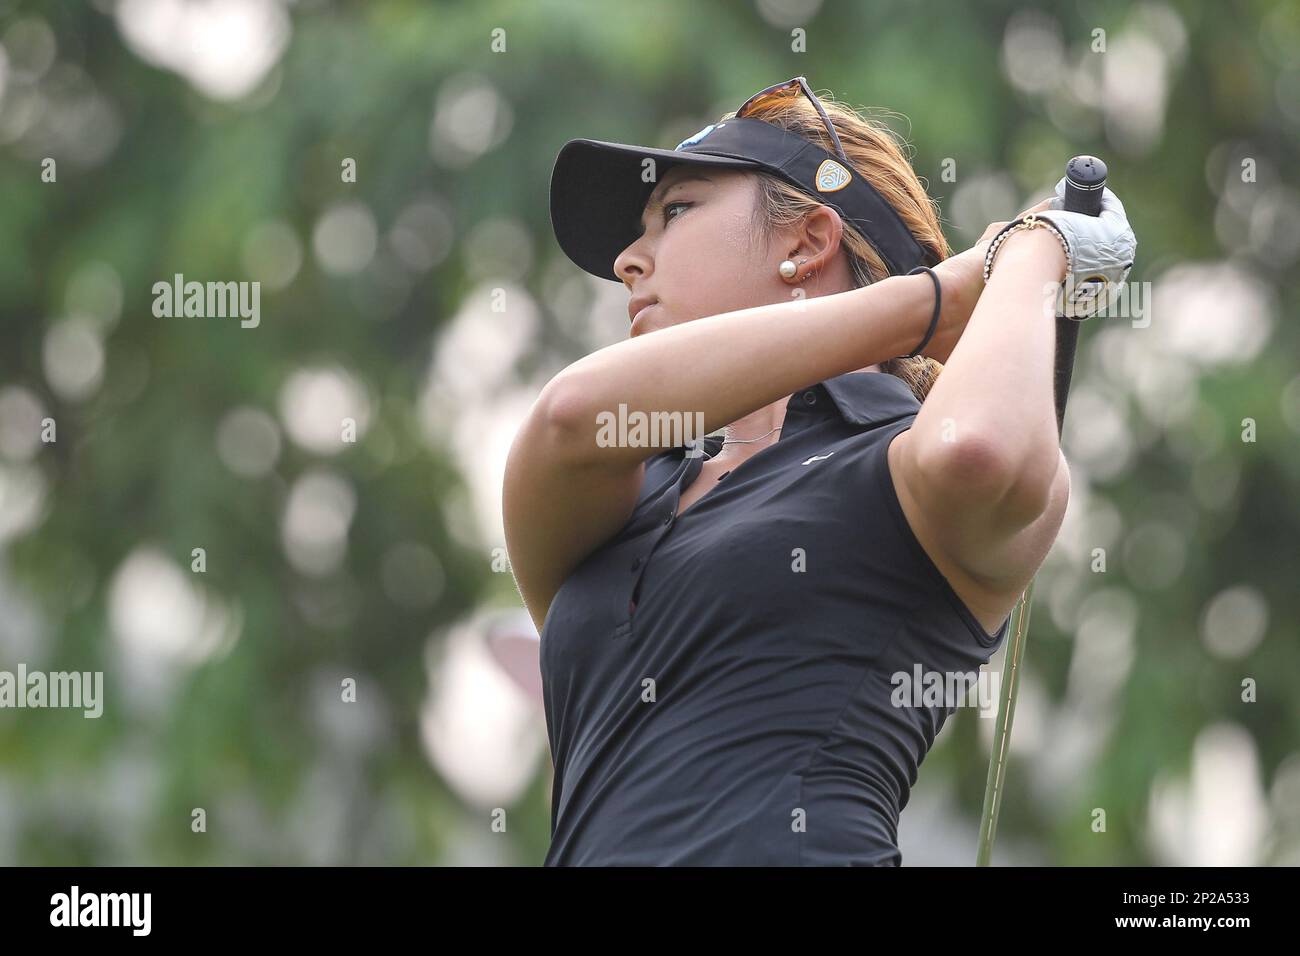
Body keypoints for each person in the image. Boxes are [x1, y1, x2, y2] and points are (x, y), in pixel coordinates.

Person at [503, 77, 1137, 865]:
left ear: (807, 243)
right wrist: (950, 292)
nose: (630, 260)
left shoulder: (897, 457)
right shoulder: (626, 483)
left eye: (676, 211)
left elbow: (978, 450)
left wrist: (1034, 255)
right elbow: (568, 419)